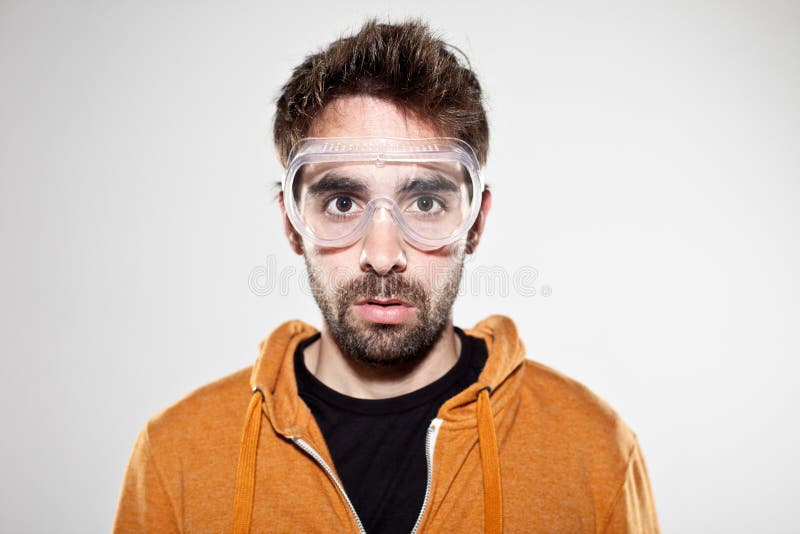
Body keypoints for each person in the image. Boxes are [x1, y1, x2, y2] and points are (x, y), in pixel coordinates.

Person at [113, 19, 660, 534]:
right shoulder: (176, 455)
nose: (382, 253)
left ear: (476, 223)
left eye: (424, 201)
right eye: (343, 201)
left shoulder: (592, 450)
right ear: (291, 221)